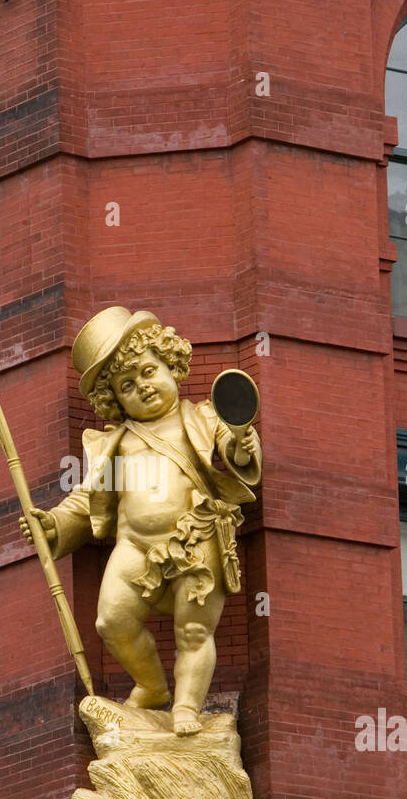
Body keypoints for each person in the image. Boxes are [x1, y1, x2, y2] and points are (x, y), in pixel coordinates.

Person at [20, 307, 261, 735]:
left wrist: (241, 441)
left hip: (196, 538)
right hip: (133, 548)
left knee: (193, 632)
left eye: (148, 371)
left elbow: (235, 455)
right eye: (127, 386)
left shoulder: (201, 420)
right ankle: (151, 687)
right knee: (111, 621)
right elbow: (87, 499)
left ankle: (186, 707)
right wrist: (55, 526)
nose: (143, 387)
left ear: (171, 364)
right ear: (115, 400)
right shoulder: (115, 444)